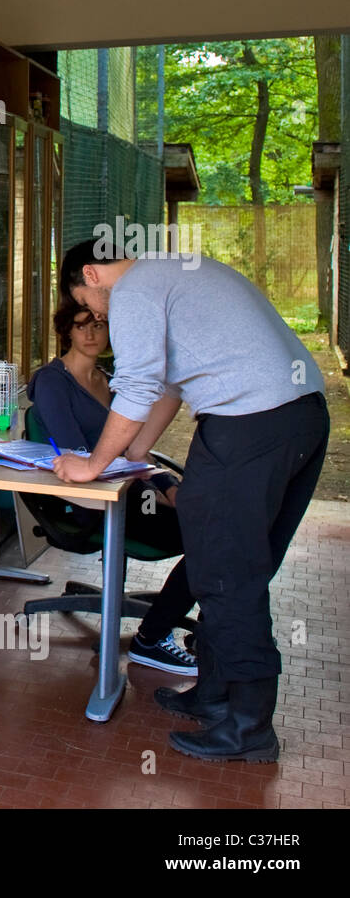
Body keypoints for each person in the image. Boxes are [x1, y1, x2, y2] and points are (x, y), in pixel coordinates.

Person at [52, 237, 328, 763]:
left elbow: (134, 386)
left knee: (225, 574)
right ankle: (215, 692)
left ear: (91, 274)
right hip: (300, 416)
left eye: (88, 306)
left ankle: (249, 728)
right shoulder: (176, 273)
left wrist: (94, 465)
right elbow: (169, 387)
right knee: (237, 564)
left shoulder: (132, 289)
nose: (95, 316)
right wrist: (134, 449)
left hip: (248, 425)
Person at [27, 298, 197, 676]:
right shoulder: (53, 382)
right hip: (90, 501)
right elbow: (80, 457)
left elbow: (134, 450)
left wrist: (166, 486)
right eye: (81, 324)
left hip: (130, 491)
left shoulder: (110, 377)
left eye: (99, 325)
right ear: (66, 330)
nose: (90, 333)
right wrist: (151, 485)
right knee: (210, 537)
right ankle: (153, 637)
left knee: (212, 523)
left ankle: (204, 631)